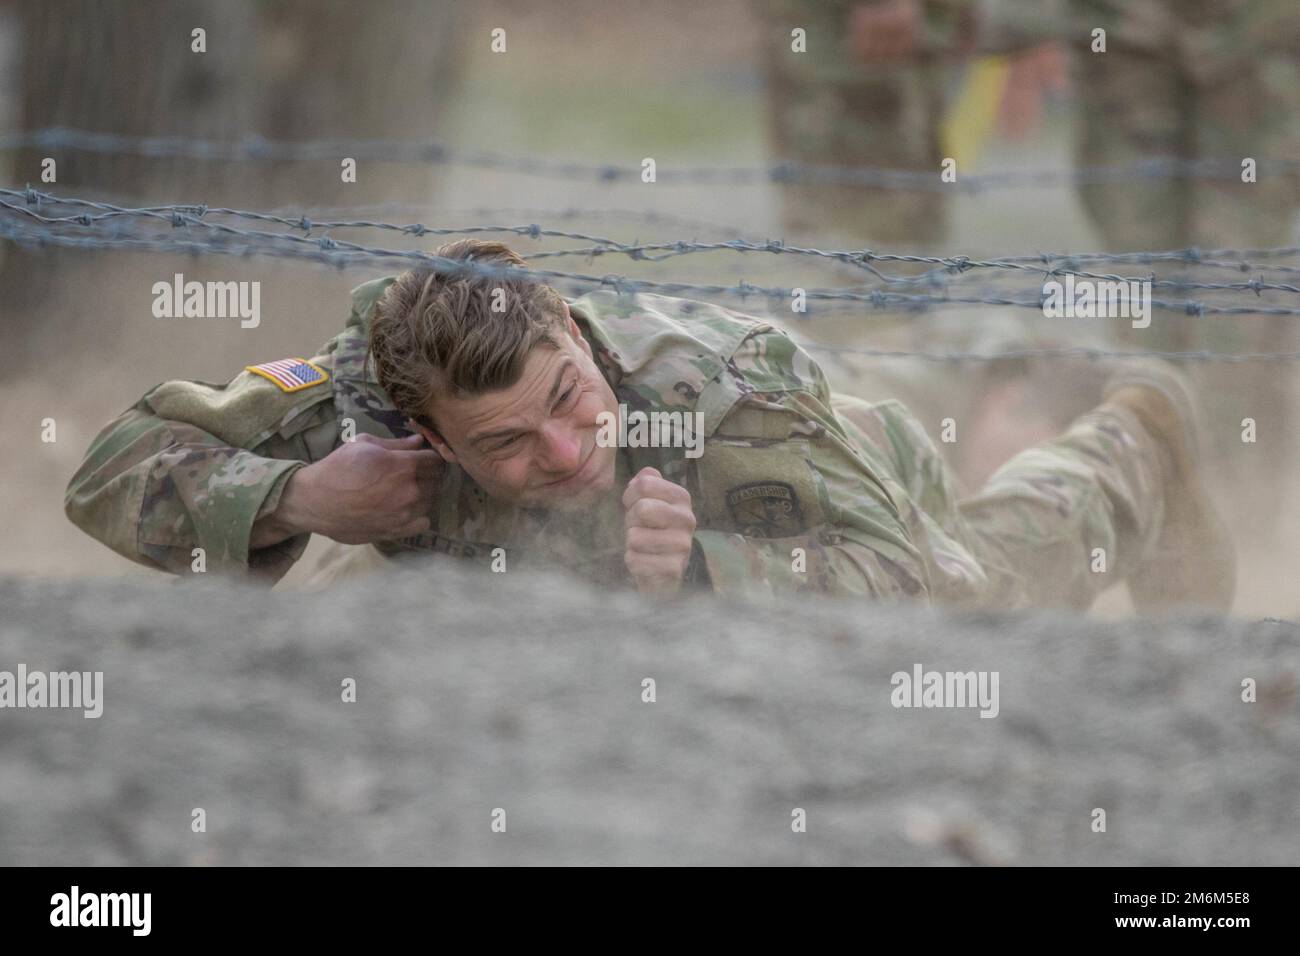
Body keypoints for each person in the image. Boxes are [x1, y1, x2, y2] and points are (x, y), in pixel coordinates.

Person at [65, 240, 1235, 610]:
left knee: (1008, 572)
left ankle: (1130, 434)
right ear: (429, 433)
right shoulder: (370, 392)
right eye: (508, 446)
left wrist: (708, 573)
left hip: (855, 476)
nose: (566, 455)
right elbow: (111, 466)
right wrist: (297, 498)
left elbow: (926, 577)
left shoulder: (731, 406)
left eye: (570, 404)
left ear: (577, 337)